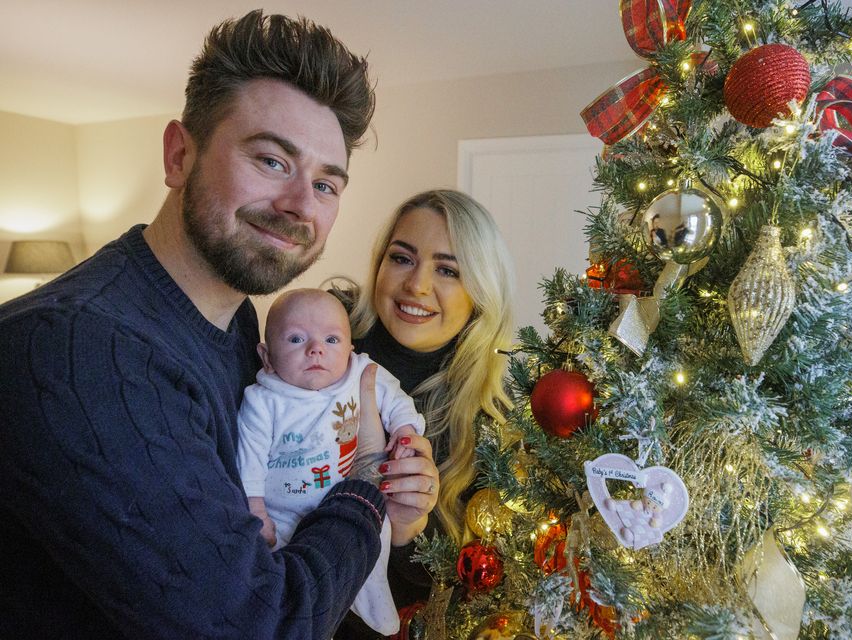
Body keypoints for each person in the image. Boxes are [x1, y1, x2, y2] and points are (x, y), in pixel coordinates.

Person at [0, 11, 400, 640]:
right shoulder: (76, 350)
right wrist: (366, 484)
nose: (301, 205)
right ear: (179, 154)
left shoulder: (239, 319)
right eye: (272, 160)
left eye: (326, 184)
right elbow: (263, 625)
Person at [332, 189, 516, 639]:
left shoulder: (493, 420)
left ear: (479, 293)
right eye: (401, 258)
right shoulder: (321, 339)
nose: (416, 285)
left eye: (448, 270)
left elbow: (460, 599)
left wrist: (406, 529)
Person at [237, 288, 425, 635]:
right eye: (296, 338)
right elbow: (249, 455)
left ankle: (372, 592)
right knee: (280, 569)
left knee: (375, 532)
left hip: (350, 498)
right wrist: (256, 508)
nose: (315, 349)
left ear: (350, 348)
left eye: (332, 339)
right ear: (266, 356)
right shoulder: (264, 400)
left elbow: (397, 399)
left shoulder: (359, 374)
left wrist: (404, 431)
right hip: (284, 510)